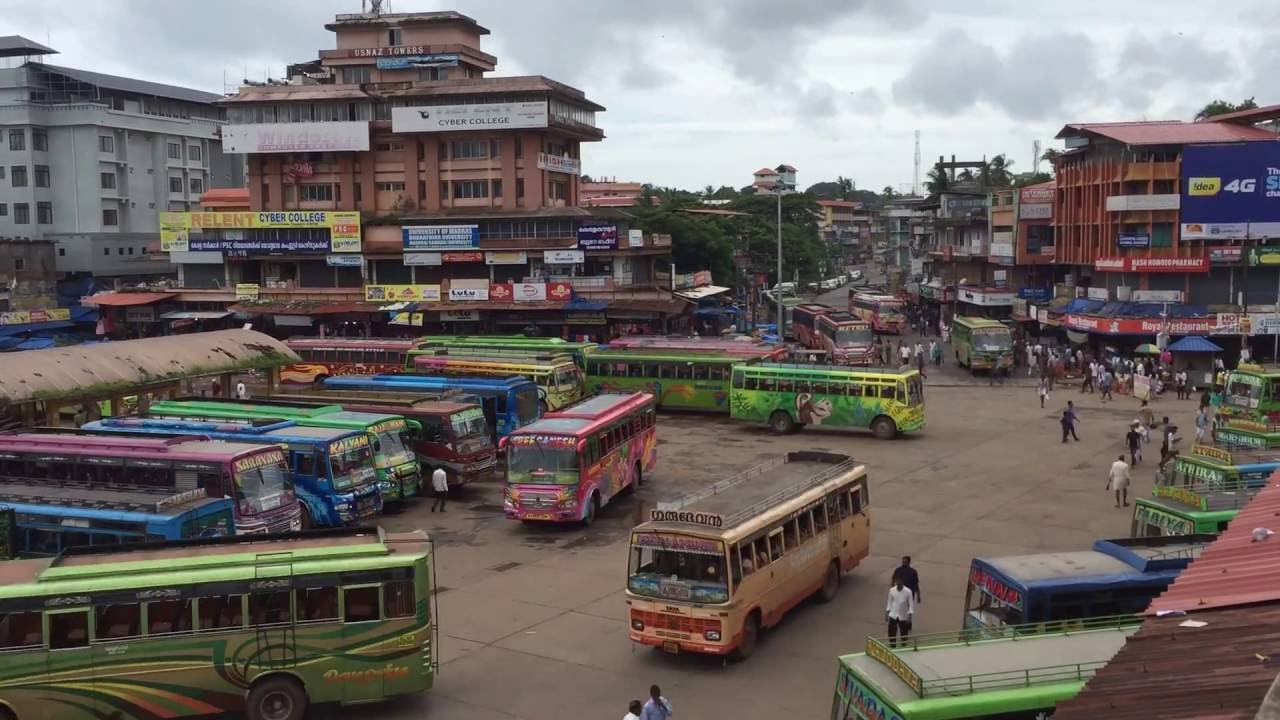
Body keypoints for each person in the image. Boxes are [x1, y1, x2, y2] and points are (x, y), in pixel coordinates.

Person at [885, 575, 915, 648]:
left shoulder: (908, 591)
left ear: (902, 582)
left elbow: (911, 604)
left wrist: (910, 616)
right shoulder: (892, 590)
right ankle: (892, 646)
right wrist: (887, 612)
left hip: (903, 615)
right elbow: (889, 602)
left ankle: (903, 645)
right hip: (893, 614)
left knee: (904, 633)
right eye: (896, 581)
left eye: (899, 581)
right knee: (891, 632)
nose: (897, 582)